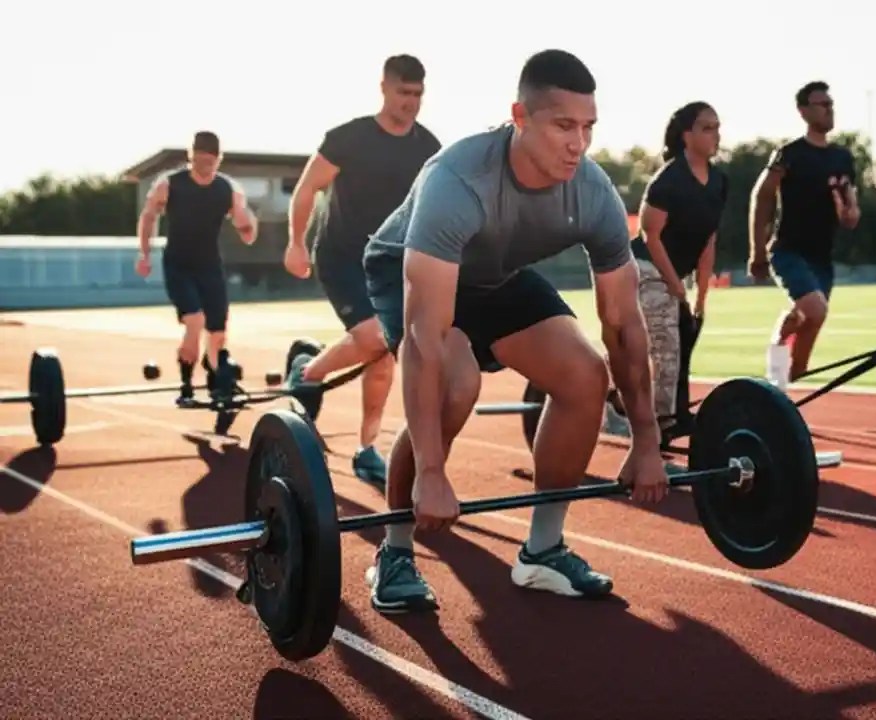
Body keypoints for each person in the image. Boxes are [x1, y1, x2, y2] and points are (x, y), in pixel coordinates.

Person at [360, 49, 669, 613]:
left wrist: (646, 440)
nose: (579, 143)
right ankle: (395, 550)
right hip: (409, 270)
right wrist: (432, 471)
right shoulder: (457, 181)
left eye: (588, 128)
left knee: (584, 377)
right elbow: (427, 337)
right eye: (563, 126)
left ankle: (543, 551)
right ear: (520, 118)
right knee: (458, 384)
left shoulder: (593, 193)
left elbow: (623, 324)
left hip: (496, 276)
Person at [283, 54, 442, 487]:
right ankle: (309, 373)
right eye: (403, 92)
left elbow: (437, 208)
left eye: (417, 94)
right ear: (384, 88)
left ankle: (367, 448)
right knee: (373, 337)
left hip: (390, 263)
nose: (410, 102)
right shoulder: (348, 138)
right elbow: (308, 187)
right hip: (340, 255)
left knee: (383, 351)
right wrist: (295, 242)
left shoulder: (428, 148)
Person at [626, 101, 727, 442]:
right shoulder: (669, 180)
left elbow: (707, 240)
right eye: (707, 128)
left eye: (717, 127)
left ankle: (645, 403)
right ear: (687, 135)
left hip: (675, 273)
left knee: (683, 338)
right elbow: (649, 235)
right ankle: (664, 420)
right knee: (666, 343)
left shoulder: (719, 182)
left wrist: (701, 296)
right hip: (645, 267)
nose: (716, 134)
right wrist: (675, 286)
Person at [748, 81, 861, 384]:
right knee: (816, 310)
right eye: (821, 104)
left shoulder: (842, 159)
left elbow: (852, 210)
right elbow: (762, 196)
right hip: (788, 250)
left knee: (805, 316)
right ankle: (783, 372)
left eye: (830, 104)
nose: (829, 109)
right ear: (803, 111)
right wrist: (757, 250)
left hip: (822, 257)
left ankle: (785, 371)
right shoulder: (789, 154)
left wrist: (851, 214)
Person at [135, 131, 258, 404]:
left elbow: (245, 223)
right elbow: (148, 216)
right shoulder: (169, 184)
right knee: (195, 321)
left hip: (210, 266)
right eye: (200, 160)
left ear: (218, 159)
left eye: (211, 161)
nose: (206, 166)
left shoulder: (228, 189)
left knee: (218, 333)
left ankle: (216, 378)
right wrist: (144, 253)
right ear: (191, 157)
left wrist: (247, 228)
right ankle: (186, 385)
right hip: (178, 265)